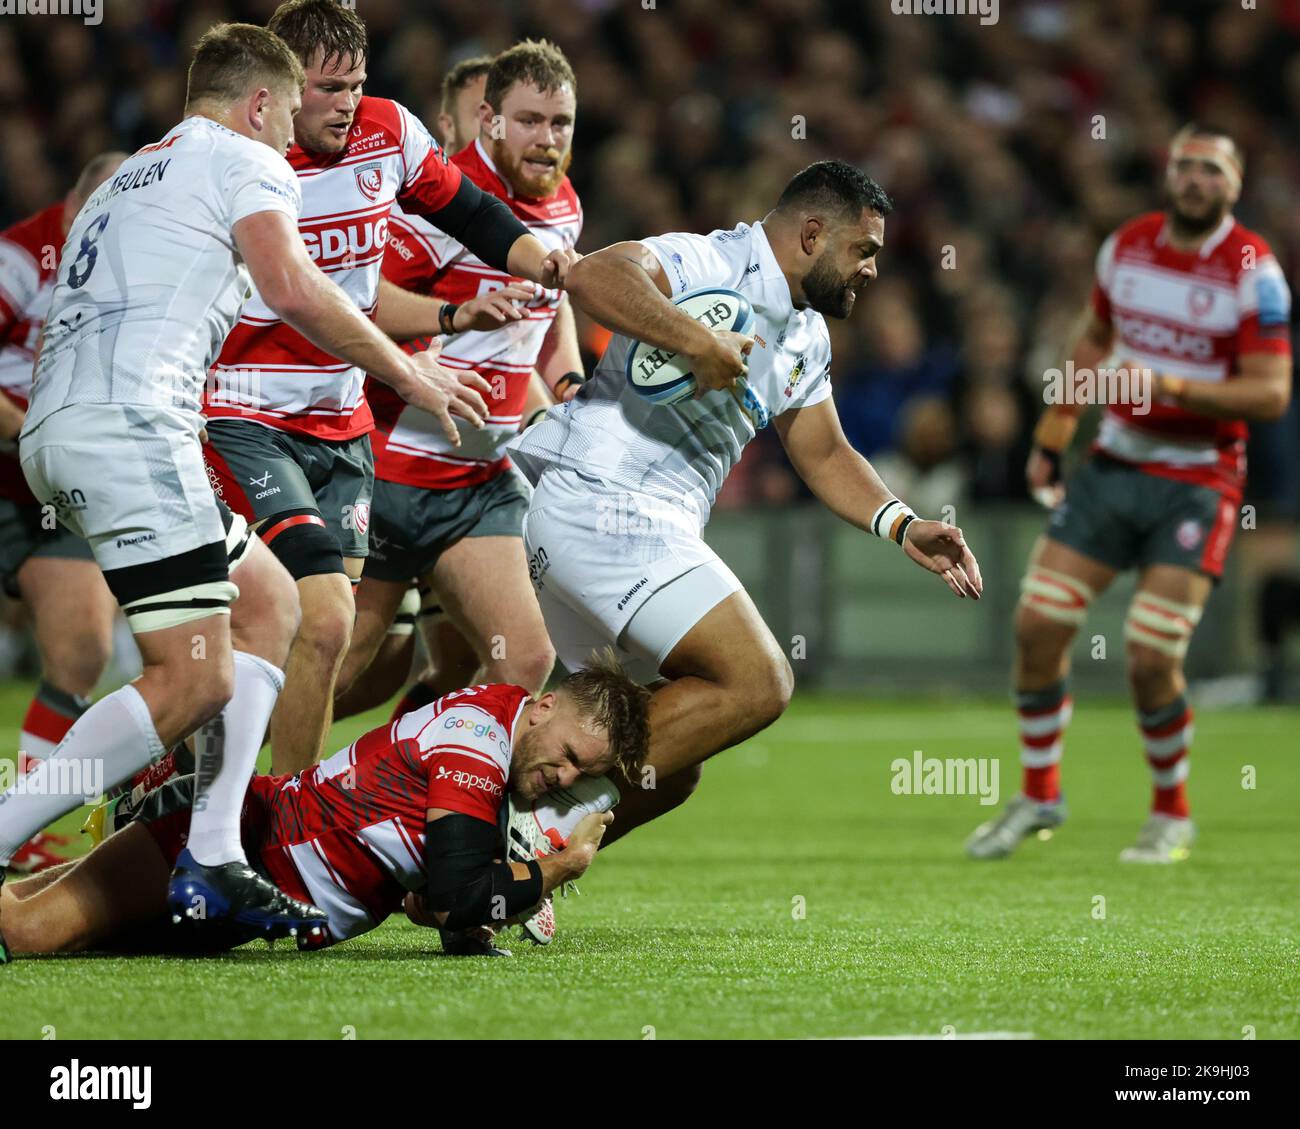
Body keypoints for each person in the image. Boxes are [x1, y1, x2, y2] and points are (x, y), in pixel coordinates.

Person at [1, 20, 481, 958]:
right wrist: (410, 371)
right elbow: (291, 285)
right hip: (131, 426)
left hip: (71, 426)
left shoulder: (134, 171)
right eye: (294, 111)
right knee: (194, 674)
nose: (296, 135)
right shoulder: (248, 161)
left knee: (267, 602)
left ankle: (215, 854)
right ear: (260, 101)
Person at [505, 160, 982, 936]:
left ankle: (486, 848)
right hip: (602, 498)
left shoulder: (806, 335)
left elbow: (824, 453)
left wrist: (903, 523)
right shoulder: (710, 260)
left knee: (675, 763)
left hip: (627, 523)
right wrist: (693, 337)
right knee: (758, 678)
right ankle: (544, 830)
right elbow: (594, 278)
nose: (869, 270)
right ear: (811, 233)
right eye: (862, 251)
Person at [202, 0, 578, 774]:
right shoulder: (236, 157)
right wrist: (424, 343)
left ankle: (278, 810)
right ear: (276, 86)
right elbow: (310, 294)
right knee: (316, 624)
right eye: (326, 88)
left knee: (333, 636)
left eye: (356, 85)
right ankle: (210, 792)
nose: (346, 104)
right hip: (246, 412)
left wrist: (536, 258)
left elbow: (471, 211)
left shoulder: (390, 132)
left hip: (343, 423)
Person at [966, 125, 1292, 863]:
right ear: (1167, 174)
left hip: (1199, 476)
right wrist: (1053, 434)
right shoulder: (1128, 246)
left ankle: (1171, 812)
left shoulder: (1253, 270)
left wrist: (1170, 384)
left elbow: (1271, 394)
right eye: (1184, 165)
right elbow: (1092, 341)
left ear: (1235, 185)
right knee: (1037, 625)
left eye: (1211, 167)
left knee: (1149, 654)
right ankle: (1040, 794)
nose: (1195, 178)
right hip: (1112, 463)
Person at [0, 665, 649, 959]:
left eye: (579, 774)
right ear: (543, 706)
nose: (562, 778)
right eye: (567, 754)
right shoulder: (477, 745)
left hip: (250, 864)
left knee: (22, 906)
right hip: (246, 852)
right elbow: (457, 888)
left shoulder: (498, 720)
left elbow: (437, 901)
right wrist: (561, 865)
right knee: (25, 929)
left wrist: (468, 910)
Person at [336, 39, 587, 721]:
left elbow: (551, 310)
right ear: (490, 121)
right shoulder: (436, 203)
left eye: (560, 123)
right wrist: (449, 316)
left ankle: (418, 810)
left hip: (480, 479)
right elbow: (354, 300)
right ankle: (188, 770)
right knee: (339, 666)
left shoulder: (564, 206)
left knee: (525, 659)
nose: (547, 139)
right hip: (394, 471)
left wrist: (568, 384)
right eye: (530, 121)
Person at [0, 151, 126, 873]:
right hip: (9, 468)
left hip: (57, 489)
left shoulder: (135, 268)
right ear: (77, 206)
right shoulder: (21, 259)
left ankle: (25, 826)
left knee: (84, 650)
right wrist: (30, 429)